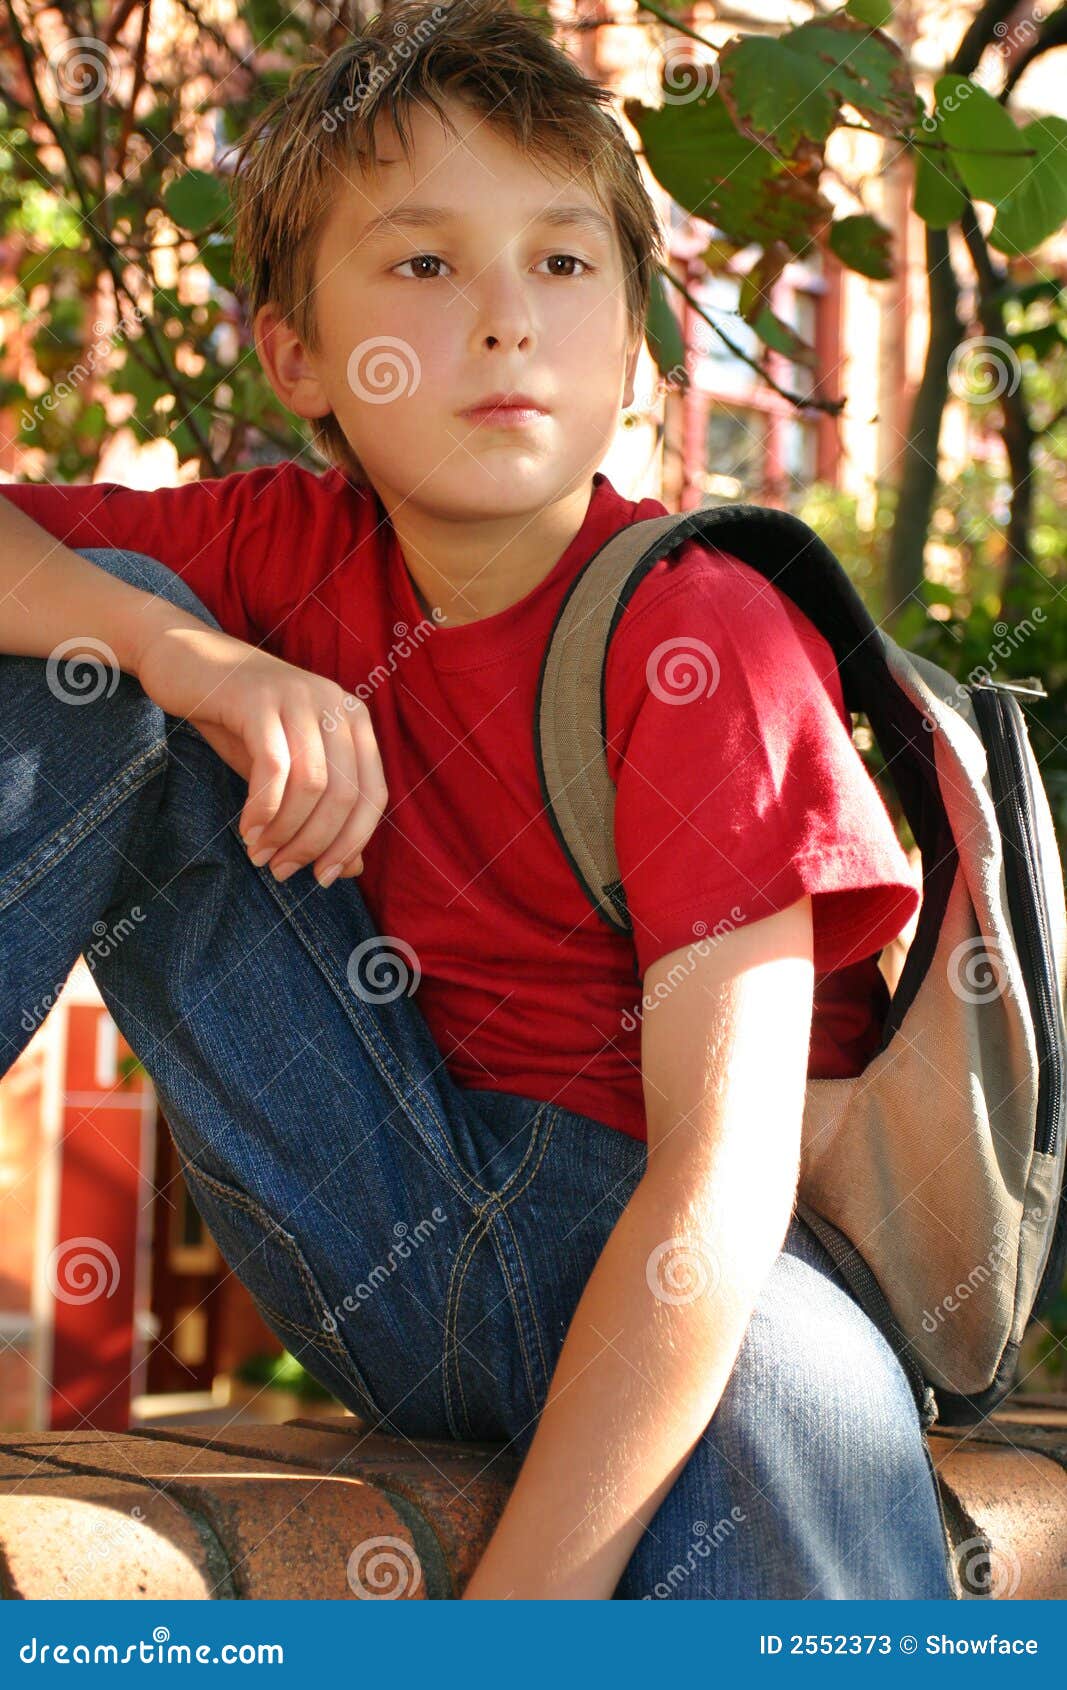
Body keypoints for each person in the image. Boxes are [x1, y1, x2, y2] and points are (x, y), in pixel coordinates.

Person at [0, 0, 956, 1600]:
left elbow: (718, 1194)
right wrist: (188, 656)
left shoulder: (703, 636)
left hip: (676, 1245)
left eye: (562, 263)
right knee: (83, 647)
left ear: (636, 345)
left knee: (801, 1376)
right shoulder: (281, 549)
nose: (506, 319)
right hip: (377, 1205)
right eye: (426, 264)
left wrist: (518, 1617)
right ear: (298, 355)